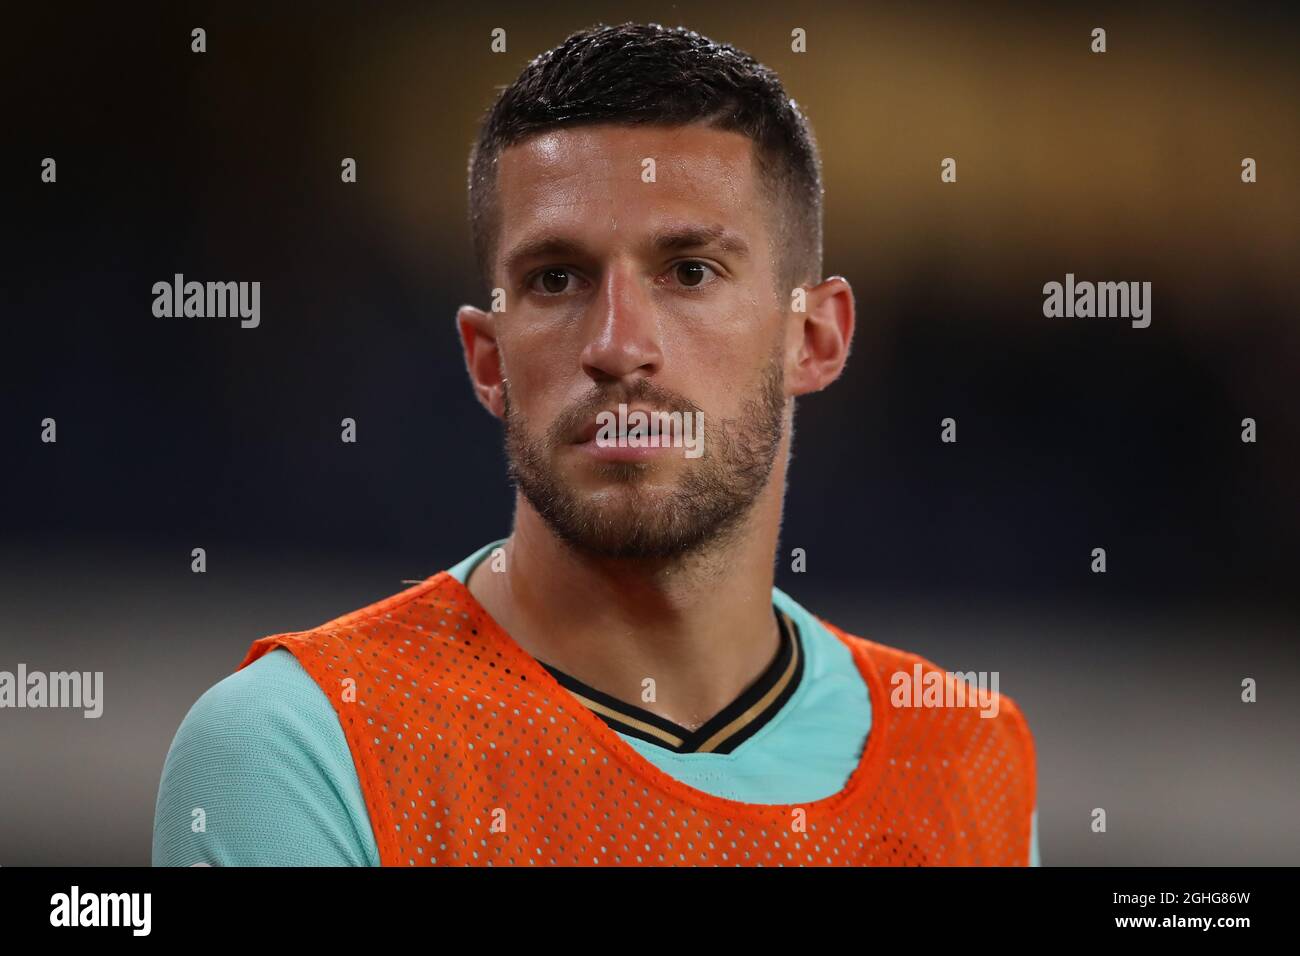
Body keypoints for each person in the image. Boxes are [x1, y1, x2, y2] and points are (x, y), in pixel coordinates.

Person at [153, 21, 1039, 867]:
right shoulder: (300, 749)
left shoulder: (965, 758)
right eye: (557, 279)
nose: (617, 344)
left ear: (814, 339)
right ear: (488, 359)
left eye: (690, 272)